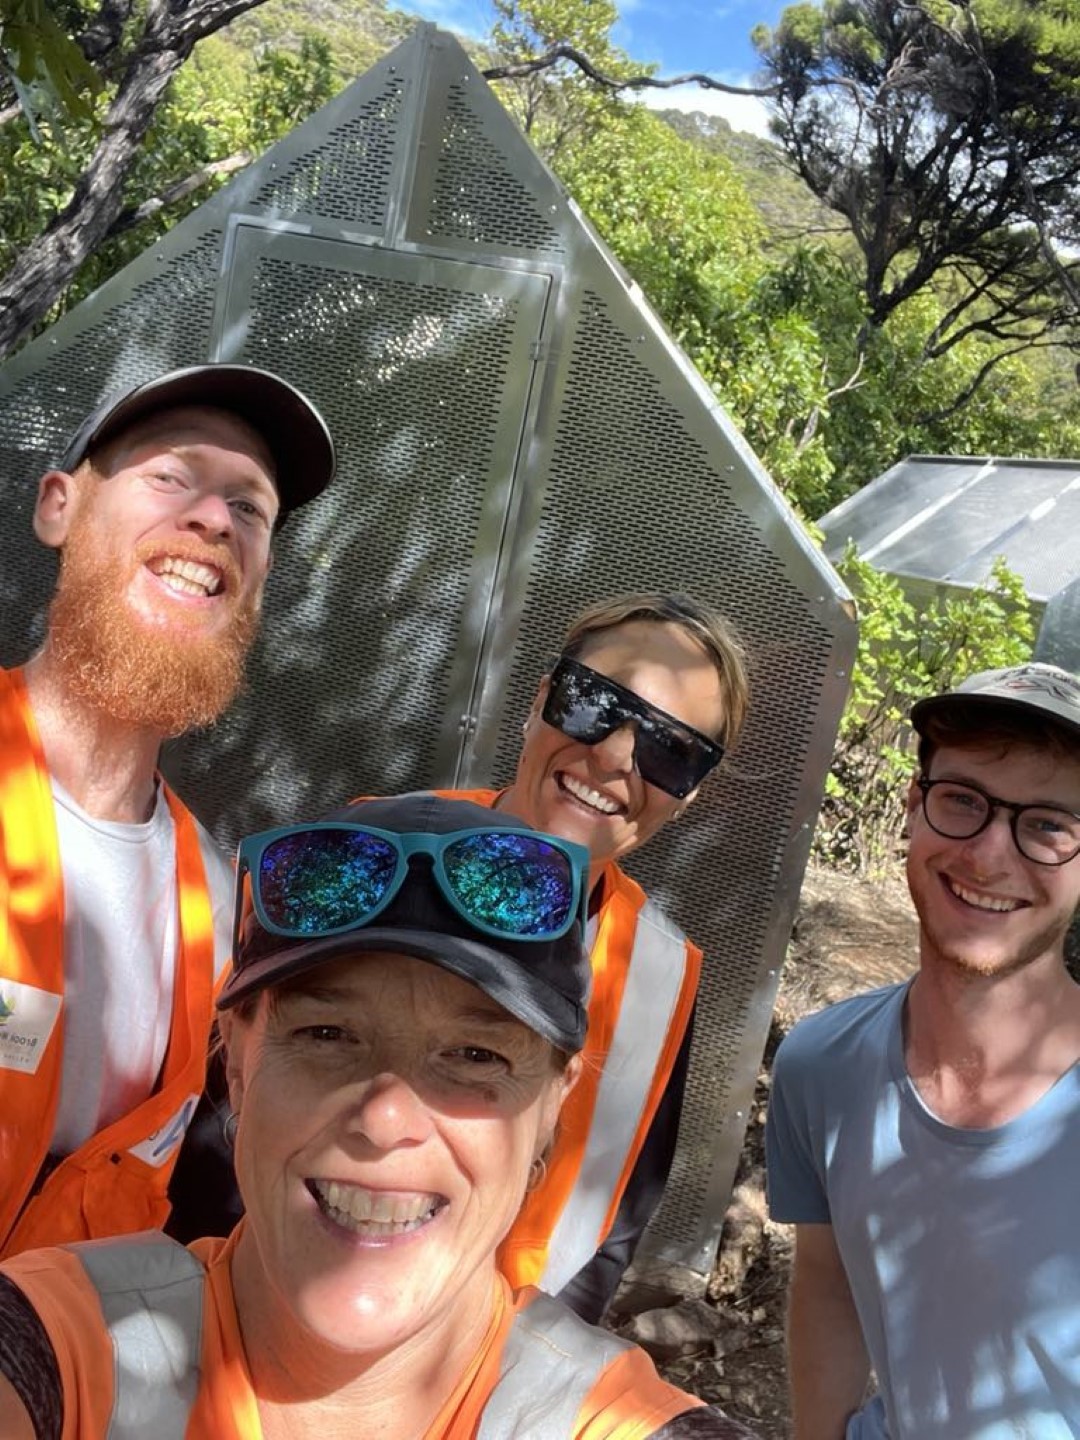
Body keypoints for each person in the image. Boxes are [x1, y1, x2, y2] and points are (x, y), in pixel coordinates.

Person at [0, 794, 760, 1440]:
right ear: (235, 1060)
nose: (386, 1116)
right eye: (327, 1034)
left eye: (475, 1055)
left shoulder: (610, 1420)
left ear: (551, 1109)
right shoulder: (65, 1345)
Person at [0, 363, 335, 1258]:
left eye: (251, 508)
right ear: (59, 507)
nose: (214, 519)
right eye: (171, 476)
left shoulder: (219, 907)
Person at [766, 661, 1080, 1439]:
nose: (989, 855)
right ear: (914, 806)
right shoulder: (821, 1067)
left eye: (1048, 824)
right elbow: (831, 1287)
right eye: (963, 800)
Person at [443, 592, 749, 1320]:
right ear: (540, 700)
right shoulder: (365, 853)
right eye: (593, 703)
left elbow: (614, 1222)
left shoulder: (658, 977)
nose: (613, 757)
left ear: (689, 793)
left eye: (671, 749)